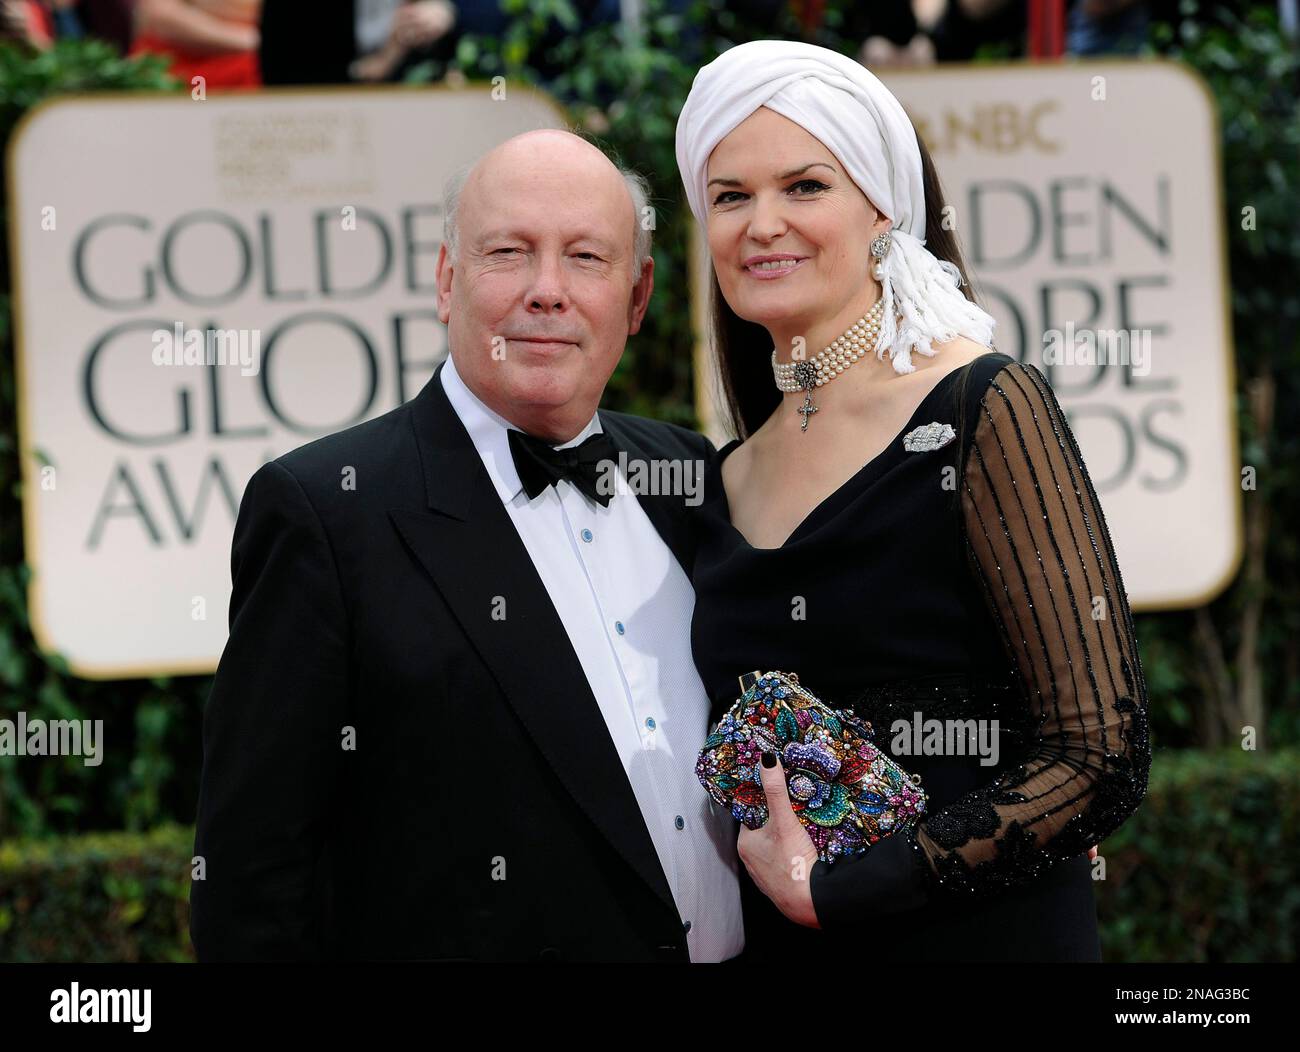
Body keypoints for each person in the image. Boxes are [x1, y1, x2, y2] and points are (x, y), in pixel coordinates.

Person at [189, 129, 745, 962]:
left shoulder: (694, 476)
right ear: (448, 281)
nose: (547, 291)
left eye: (587, 257)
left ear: (637, 298)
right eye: (509, 253)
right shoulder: (326, 512)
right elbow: (251, 875)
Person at [675, 40, 1151, 961]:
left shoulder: (984, 405)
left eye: (805, 186)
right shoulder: (722, 477)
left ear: (883, 206)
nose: (761, 223)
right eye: (730, 196)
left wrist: (849, 892)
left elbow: (1102, 755)